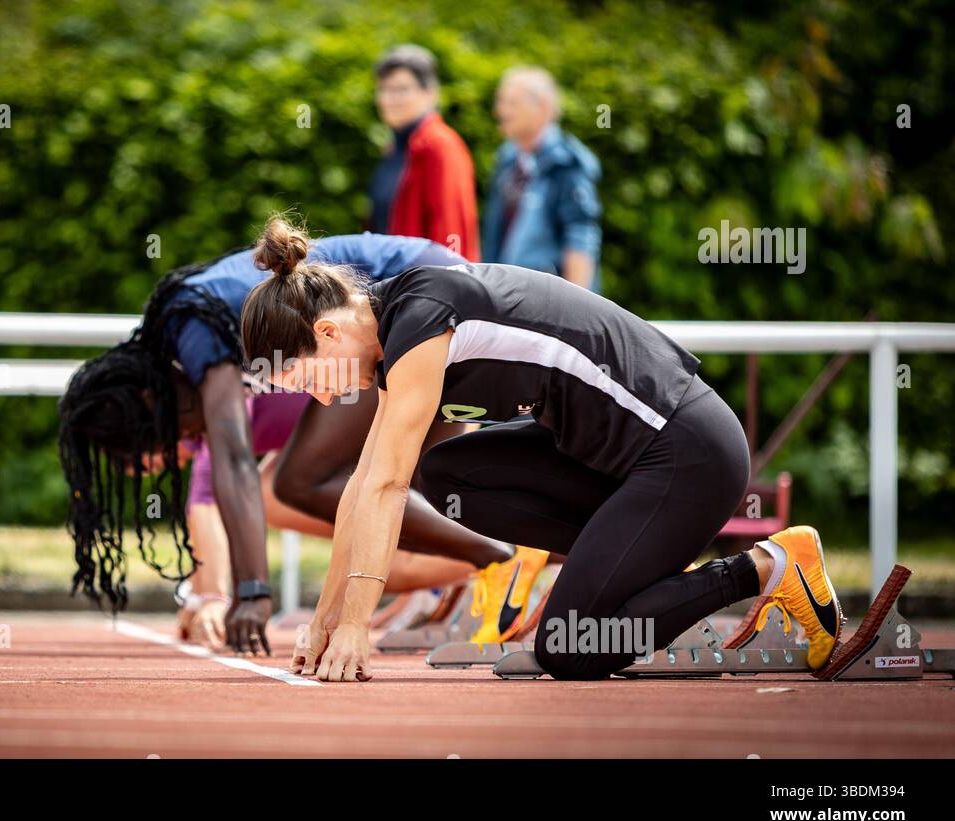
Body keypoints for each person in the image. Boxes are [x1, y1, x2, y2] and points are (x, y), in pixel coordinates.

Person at [239, 256, 844, 682]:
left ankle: (769, 566)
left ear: (328, 331)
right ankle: (635, 560)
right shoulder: (398, 330)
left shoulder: (421, 318)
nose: (319, 398)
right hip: (616, 469)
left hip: (687, 451)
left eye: (307, 378)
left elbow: (386, 488)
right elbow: (362, 489)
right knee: (449, 473)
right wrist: (325, 621)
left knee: (570, 648)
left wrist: (356, 627)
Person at [58, 222, 550, 655]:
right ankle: (521, 555)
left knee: (302, 480)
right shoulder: (186, 350)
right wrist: (214, 593)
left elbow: (232, 464)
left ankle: (501, 557)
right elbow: (213, 485)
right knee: (425, 481)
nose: (180, 447)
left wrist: (251, 593)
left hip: (416, 301)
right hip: (421, 292)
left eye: (152, 446)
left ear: (149, 406)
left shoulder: (190, 328)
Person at [482, 67, 602, 291]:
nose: (501, 111)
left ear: (544, 107)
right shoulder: (507, 159)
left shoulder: (567, 163)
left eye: (512, 103)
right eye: (500, 102)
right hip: (509, 296)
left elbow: (581, 237)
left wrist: (575, 308)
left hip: (549, 302)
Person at [368, 45, 480, 261]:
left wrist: (449, 287)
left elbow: (452, 230)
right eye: (383, 89)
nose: (390, 98)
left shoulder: (440, 146)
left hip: (423, 285)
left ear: (429, 94)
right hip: (394, 284)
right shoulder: (396, 148)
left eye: (401, 89)